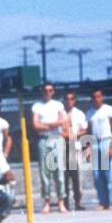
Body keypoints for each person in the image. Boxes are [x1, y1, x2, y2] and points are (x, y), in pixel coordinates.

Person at [31, 81, 68, 214]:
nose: (48, 92)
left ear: (53, 91)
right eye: (45, 90)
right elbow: (35, 125)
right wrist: (53, 125)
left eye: (50, 90)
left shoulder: (58, 105)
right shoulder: (37, 106)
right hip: (43, 139)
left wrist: (45, 124)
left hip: (56, 139)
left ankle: (61, 202)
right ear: (42, 91)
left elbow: (62, 122)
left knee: (59, 172)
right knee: (44, 172)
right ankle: (46, 202)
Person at [87, 88, 112, 209]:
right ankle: (103, 201)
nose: (97, 99)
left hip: (107, 141)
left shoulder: (109, 110)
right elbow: (89, 132)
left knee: (110, 173)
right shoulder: (89, 113)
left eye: (98, 96)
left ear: (102, 97)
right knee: (97, 175)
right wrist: (89, 148)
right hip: (95, 143)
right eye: (94, 97)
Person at [62, 89, 88, 210]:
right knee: (64, 176)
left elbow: (84, 130)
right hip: (63, 147)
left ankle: (78, 201)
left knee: (77, 176)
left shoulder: (79, 114)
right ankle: (65, 202)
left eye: (71, 99)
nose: (69, 101)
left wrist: (73, 135)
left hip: (75, 146)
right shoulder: (61, 113)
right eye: (67, 99)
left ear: (75, 100)